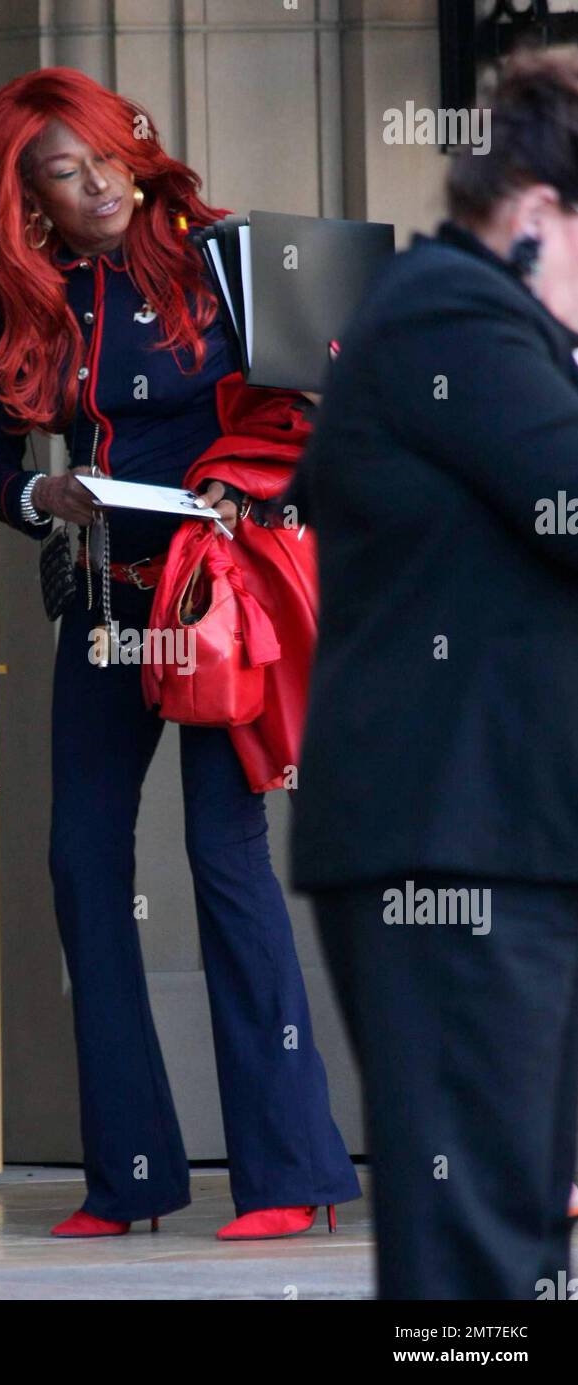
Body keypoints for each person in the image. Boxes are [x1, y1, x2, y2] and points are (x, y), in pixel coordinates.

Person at [0, 66, 360, 1239]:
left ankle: (291, 1175)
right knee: (82, 865)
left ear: (135, 149)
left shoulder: (230, 261)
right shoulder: (28, 296)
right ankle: (129, 1176)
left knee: (225, 855)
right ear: (27, 197)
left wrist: (241, 486)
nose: (96, 186)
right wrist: (43, 496)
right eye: (61, 174)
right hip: (105, 607)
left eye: (104, 158)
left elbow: (325, 422)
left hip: (218, 606)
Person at [286, 47, 578, 1298]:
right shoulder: (449, 313)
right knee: (476, 1258)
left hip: (505, 843)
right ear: (539, 211)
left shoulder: (497, 325)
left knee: (514, 1238)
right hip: (456, 855)